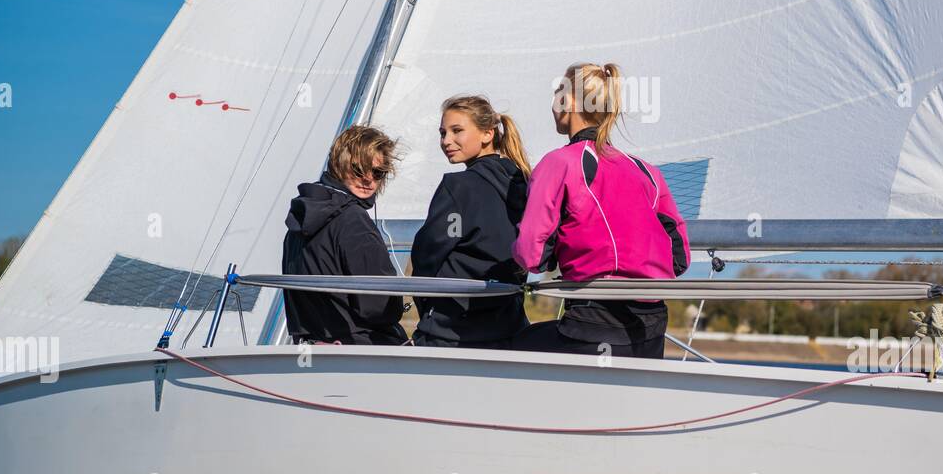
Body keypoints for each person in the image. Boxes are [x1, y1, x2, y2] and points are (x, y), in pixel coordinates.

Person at [512, 62, 689, 359]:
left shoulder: (559, 163)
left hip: (591, 326)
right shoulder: (646, 171)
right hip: (650, 331)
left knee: (507, 349)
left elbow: (531, 255)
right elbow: (679, 256)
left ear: (567, 101)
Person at [410, 95, 532, 348]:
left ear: (488, 134)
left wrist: (429, 310)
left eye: (457, 131)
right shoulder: (524, 183)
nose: (446, 141)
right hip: (511, 329)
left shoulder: (458, 187)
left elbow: (426, 257)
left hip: (452, 332)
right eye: (443, 133)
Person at [281, 124, 408, 345]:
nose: (369, 179)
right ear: (339, 163)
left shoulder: (298, 220)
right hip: (361, 351)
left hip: (312, 348)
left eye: (378, 172)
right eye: (359, 169)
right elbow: (378, 306)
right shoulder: (353, 219)